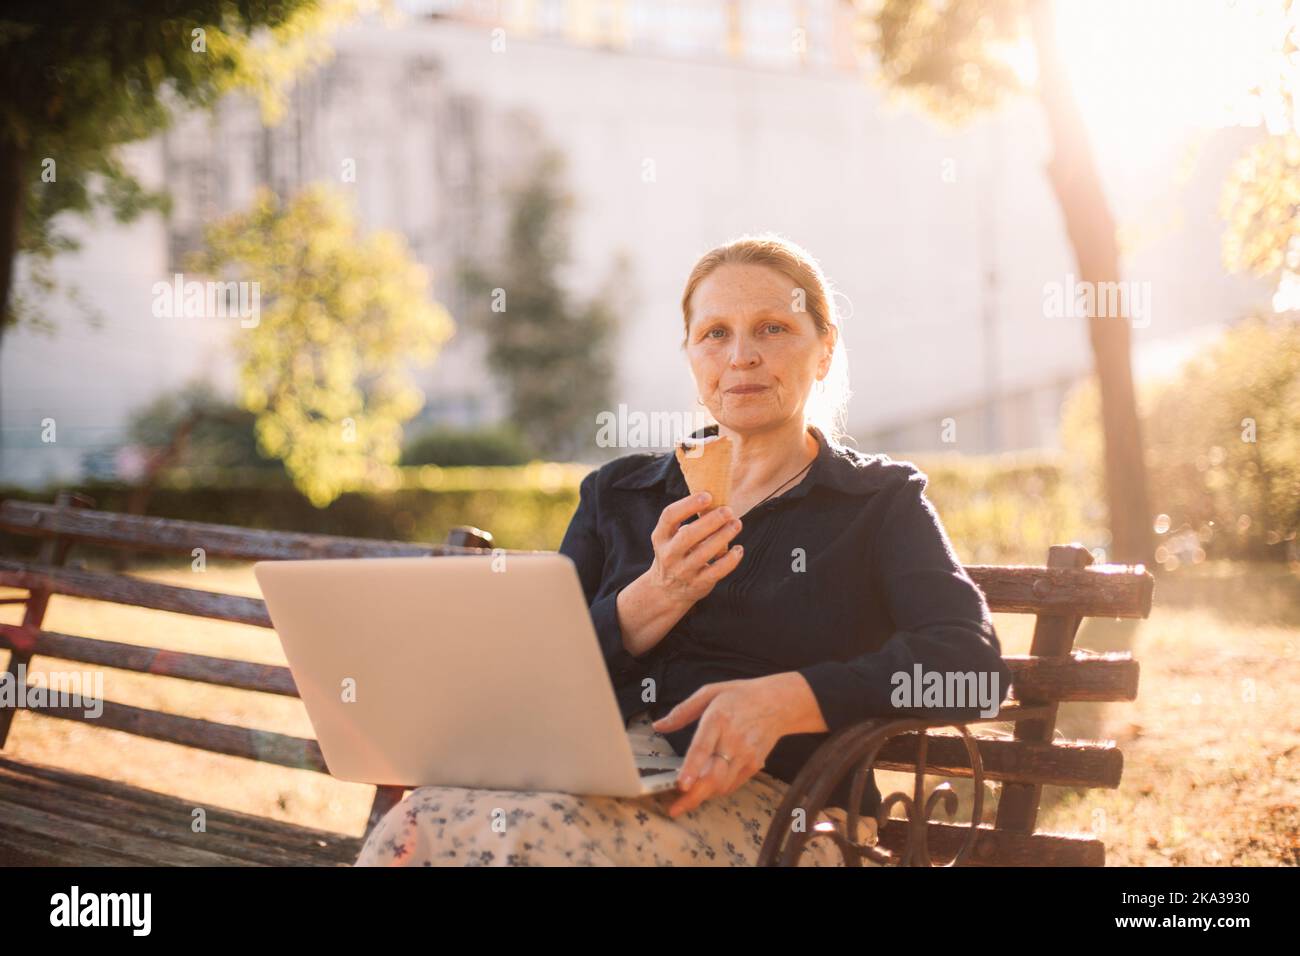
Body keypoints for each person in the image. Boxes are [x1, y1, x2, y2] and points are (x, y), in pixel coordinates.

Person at [355, 233, 1011, 866]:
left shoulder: (876, 504)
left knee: (538, 844)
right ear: (692, 356)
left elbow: (971, 668)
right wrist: (650, 600)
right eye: (715, 334)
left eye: (772, 329)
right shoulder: (618, 494)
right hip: (591, 783)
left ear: (824, 349)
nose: (742, 356)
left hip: (791, 812)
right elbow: (531, 679)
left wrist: (788, 700)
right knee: (415, 828)